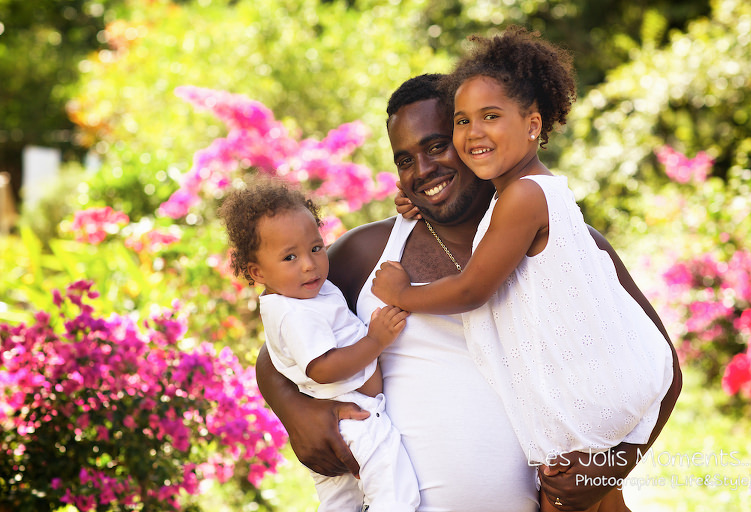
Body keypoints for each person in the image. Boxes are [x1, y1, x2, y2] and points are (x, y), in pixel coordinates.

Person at [256, 73, 682, 512]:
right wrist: (297, 413)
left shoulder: (564, 244)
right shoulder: (369, 252)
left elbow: (661, 366)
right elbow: (281, 345)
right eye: (405, 160)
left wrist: (611, 467)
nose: (422, 170)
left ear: (473, 143)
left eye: (437, 146)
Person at [371, 28, 675, 512]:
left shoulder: (525, 197)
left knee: (574, 500)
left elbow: (471, 290)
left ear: (533, 125)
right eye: (463, 121)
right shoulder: (528, 197)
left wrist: (402, 294)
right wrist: (426, 198)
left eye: (490, 117)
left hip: (585, 421)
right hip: (589, 418)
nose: (473, 133)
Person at [218, 180, 419, 512]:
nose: (309, 264)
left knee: (340, 504)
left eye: (315, 248)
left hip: (344, 420)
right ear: (258, 271)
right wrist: (375, 341)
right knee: (396, 496)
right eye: (290, 257)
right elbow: (322, 368)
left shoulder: (303, 293)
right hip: (353, 420)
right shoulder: (294, 312)